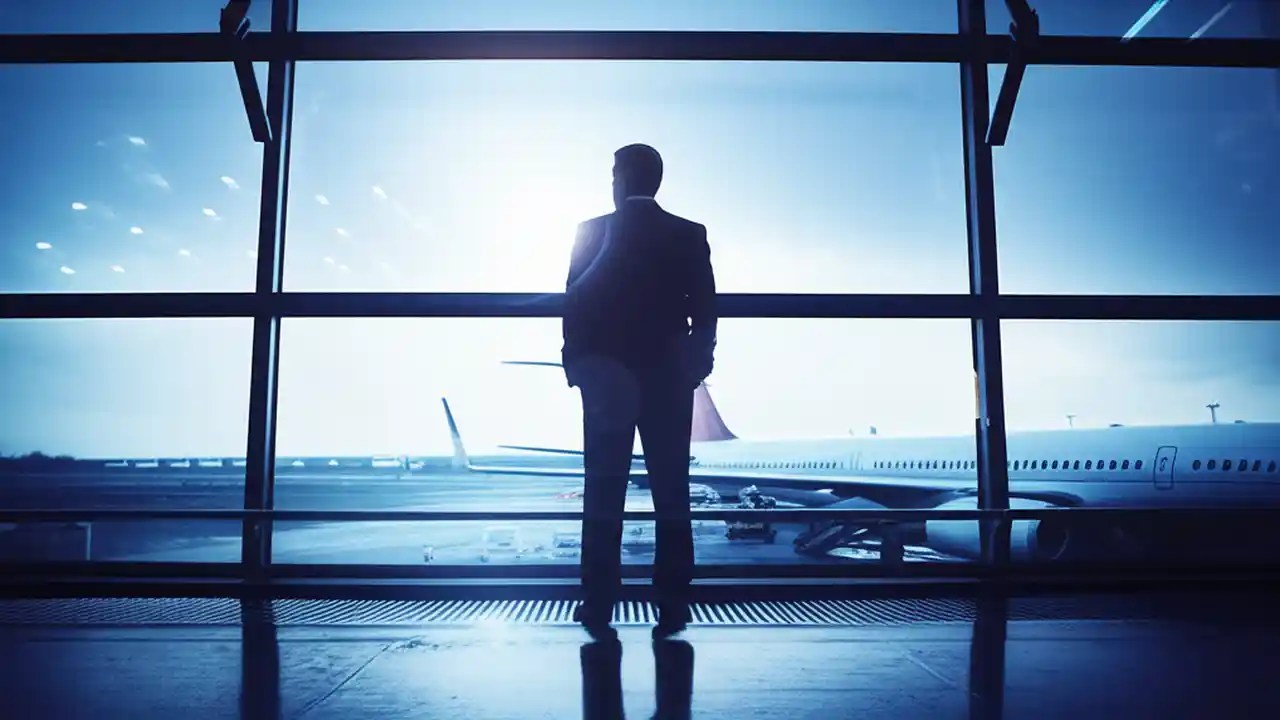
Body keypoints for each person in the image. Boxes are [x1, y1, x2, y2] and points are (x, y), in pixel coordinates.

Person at [563, 143, 717, 642]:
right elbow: (706, 310)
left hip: (606, 384)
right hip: (668, 382)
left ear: (622, 178)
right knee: (671, 490)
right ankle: (672, 600)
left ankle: (599, 599)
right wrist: (696, 364)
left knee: (604, 490)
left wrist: (578, 368)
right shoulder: (689, 234)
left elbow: (574, 306)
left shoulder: (591, 232)